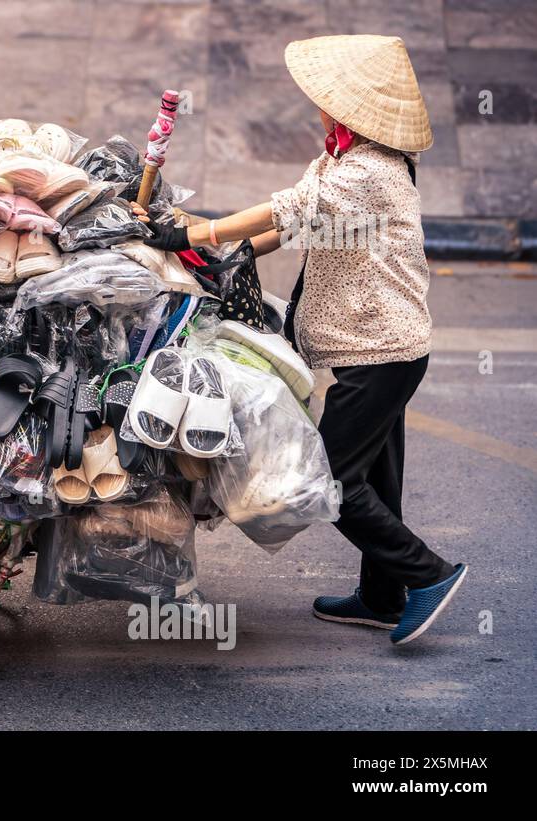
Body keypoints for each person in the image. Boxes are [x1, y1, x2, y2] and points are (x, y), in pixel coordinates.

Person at [138, 35, 467, 646]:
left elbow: (281, 206)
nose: (317, 107)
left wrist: (194, 227)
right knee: (377, 478)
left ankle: (430, 575)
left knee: (334, 477)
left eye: (325, 101)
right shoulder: (340, 162)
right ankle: (380, 595)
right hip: (379, 349)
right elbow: (295, 224)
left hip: (380, 352)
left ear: (348, 111)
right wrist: (217, 254)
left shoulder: (369, 172)